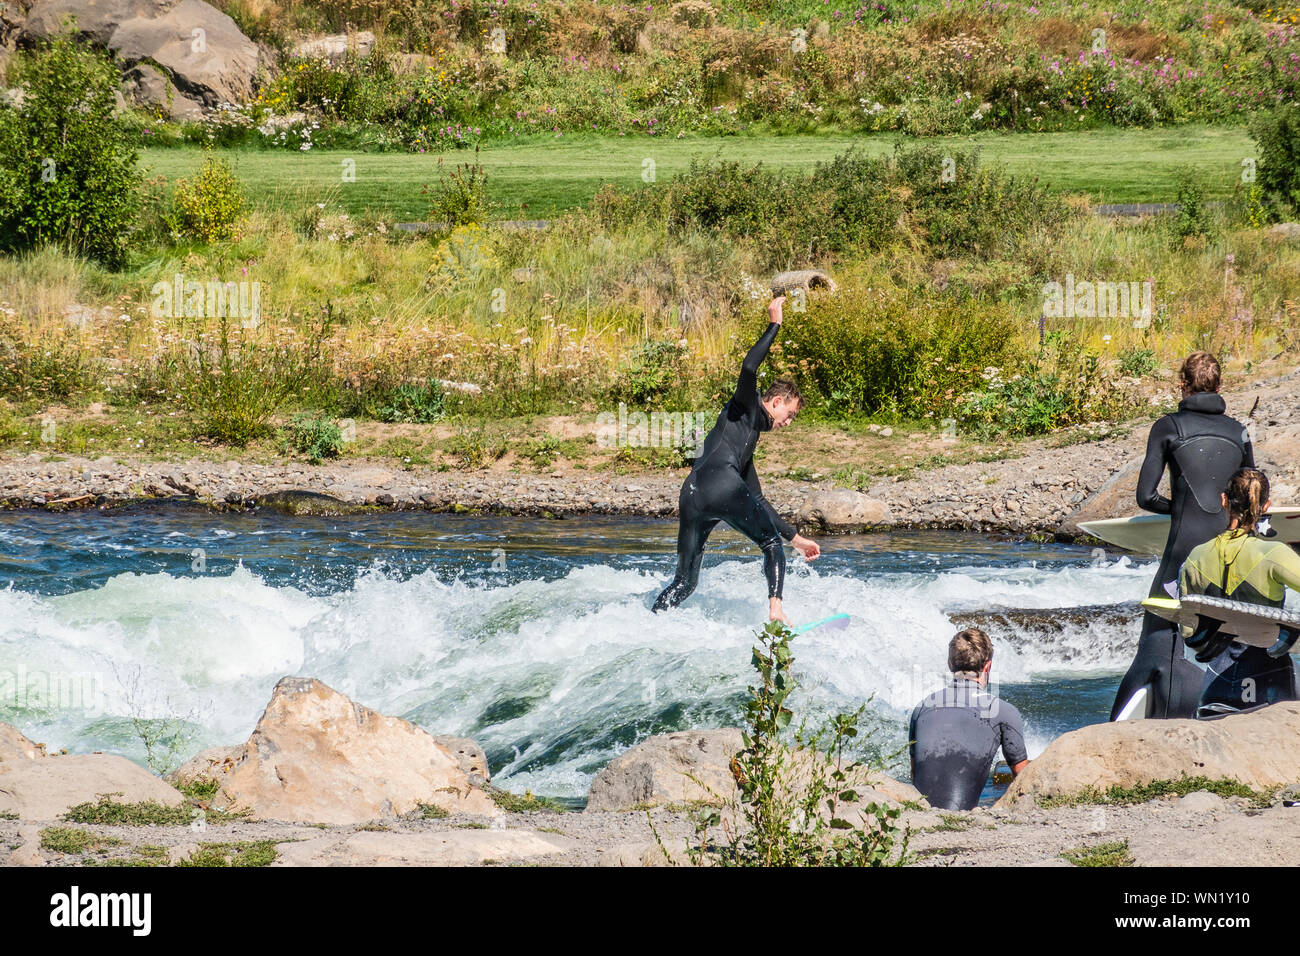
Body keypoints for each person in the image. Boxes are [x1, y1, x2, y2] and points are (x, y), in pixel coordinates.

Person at [652, 295, 820, 623]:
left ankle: (651, 622)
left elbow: (757, 498)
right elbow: (749, 366)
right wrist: (775, 324)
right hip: (720, 486)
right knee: (770, 544)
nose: (787, 423)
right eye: (790, 414)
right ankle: (776, 611)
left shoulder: (742, 443)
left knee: (685, 584)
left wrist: (796, 538)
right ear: (776, 401)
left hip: (693, 495)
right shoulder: (746, 403)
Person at [1109, 351, 1254, 721]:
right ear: (1220, 386)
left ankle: (1123, 726)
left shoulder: (1168, 426)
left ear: (1182, 384)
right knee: (1225, 637)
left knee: (1159, 642)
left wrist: (1179, 511)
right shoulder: (1240, 430)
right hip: (1230, 556)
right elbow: (1252, 493)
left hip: (1183, 550)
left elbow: (1146, 496)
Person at [1179, 468, 1300, 718]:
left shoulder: (1196, 557)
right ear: (1265, 505)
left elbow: (1190, 634)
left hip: (1215, 683)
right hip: (1270, 683)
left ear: (1224, 500)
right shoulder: (1274, 554)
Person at [909, 628, 1029, 811]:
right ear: (987, 666)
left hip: (918, 816)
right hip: (959, 819)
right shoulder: (1004, 711)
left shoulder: (921, 708)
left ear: (950, 664)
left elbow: (915, 774)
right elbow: (1023, 783)